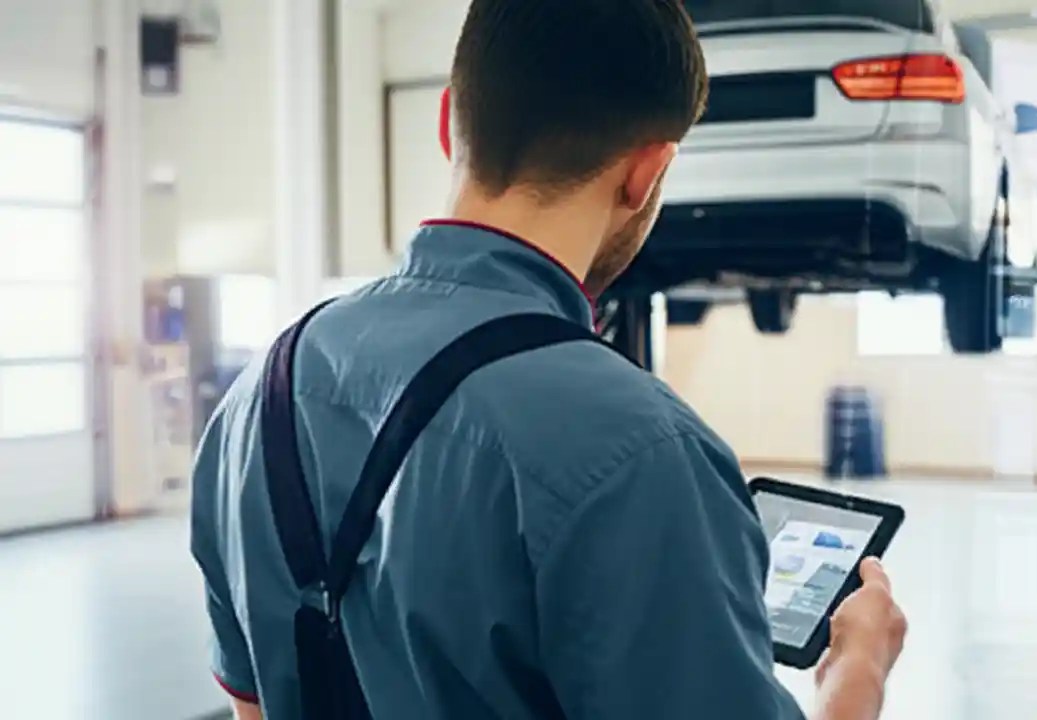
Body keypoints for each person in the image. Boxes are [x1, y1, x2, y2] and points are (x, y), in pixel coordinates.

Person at [190, 1, 907, 718]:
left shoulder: (259, 397)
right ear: (647, 173)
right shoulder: (640, 450)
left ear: (448, 124)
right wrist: (858, 673)